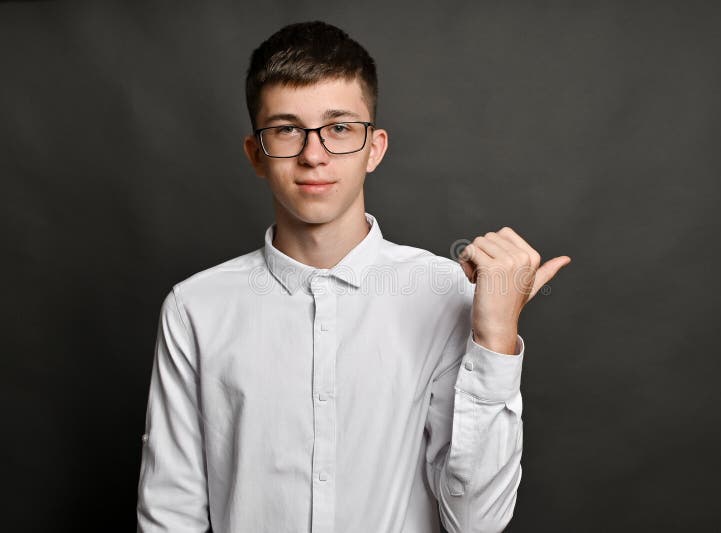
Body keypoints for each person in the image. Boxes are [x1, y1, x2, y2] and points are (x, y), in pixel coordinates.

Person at [136, 20, 570, 533]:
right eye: (286, 129)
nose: (313, 154)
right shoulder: (195, 309)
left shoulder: (446, 295)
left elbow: (476, 523)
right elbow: (171, 515)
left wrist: (495, 340)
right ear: (257, 153)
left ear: (375, 148)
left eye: (339, 127)